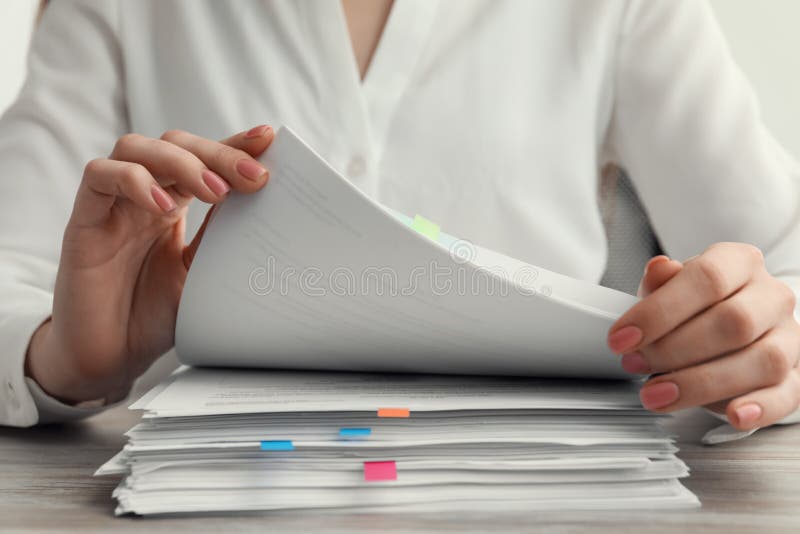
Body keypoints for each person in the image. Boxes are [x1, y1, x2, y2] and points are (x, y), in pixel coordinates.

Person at [0, 0, 798, 432]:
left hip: (542, 491)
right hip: (203, 492)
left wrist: (767, 336)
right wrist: (65, 355)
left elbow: (783, 256)